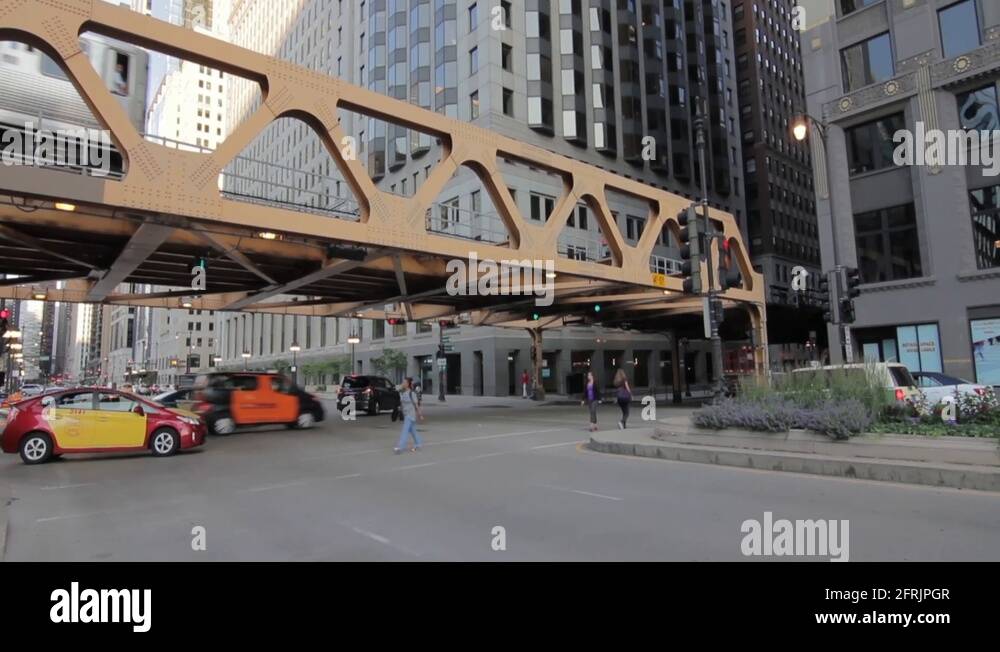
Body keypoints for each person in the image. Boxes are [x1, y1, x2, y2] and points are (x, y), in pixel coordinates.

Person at [394, 377, 424, 454]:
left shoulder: (412, 393)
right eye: (403, 382)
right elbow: (396, 389)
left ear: (408, 384)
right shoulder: (403, 392)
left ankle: (400, 447)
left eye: (404, 382)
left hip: (410, 415)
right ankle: (418, 443)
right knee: (412, 430)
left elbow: (416, 405)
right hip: (406, 414)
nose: (403, 383)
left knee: (405, 430)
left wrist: (420, 414)